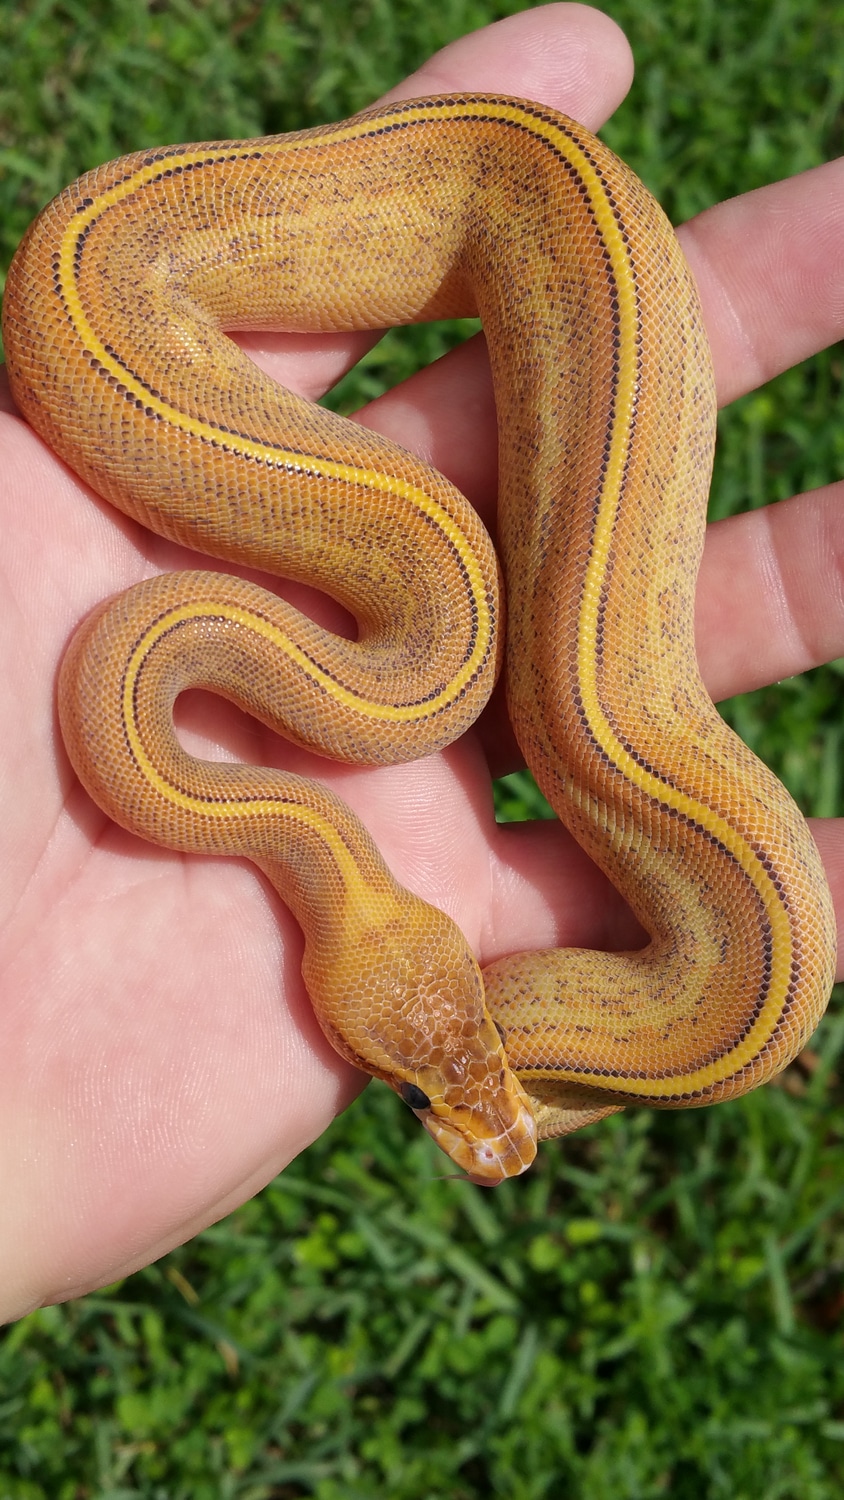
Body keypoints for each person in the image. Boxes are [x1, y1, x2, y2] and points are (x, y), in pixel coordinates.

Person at [1, 2, 841, 1324]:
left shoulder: (377, 707)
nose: (492, 1114)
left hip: (453, 234)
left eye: (424, 1079)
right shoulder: (346, 730)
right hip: (375, 253)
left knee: (712, 972)